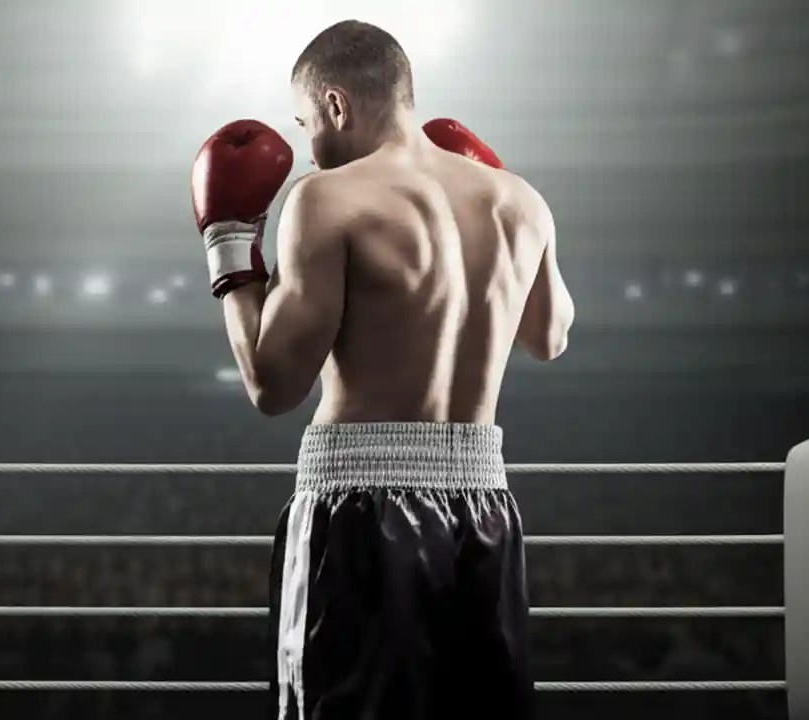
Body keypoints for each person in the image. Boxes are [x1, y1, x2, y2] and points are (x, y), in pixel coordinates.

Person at [189, 19, 574, 720]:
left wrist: (228, 244)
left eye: (306, 123)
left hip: (361, 506)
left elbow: (273, 387)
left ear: (335, 105)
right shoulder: (519, 200)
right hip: (487, 505)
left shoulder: (325, 198)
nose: (310, 145)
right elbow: (549, 337)